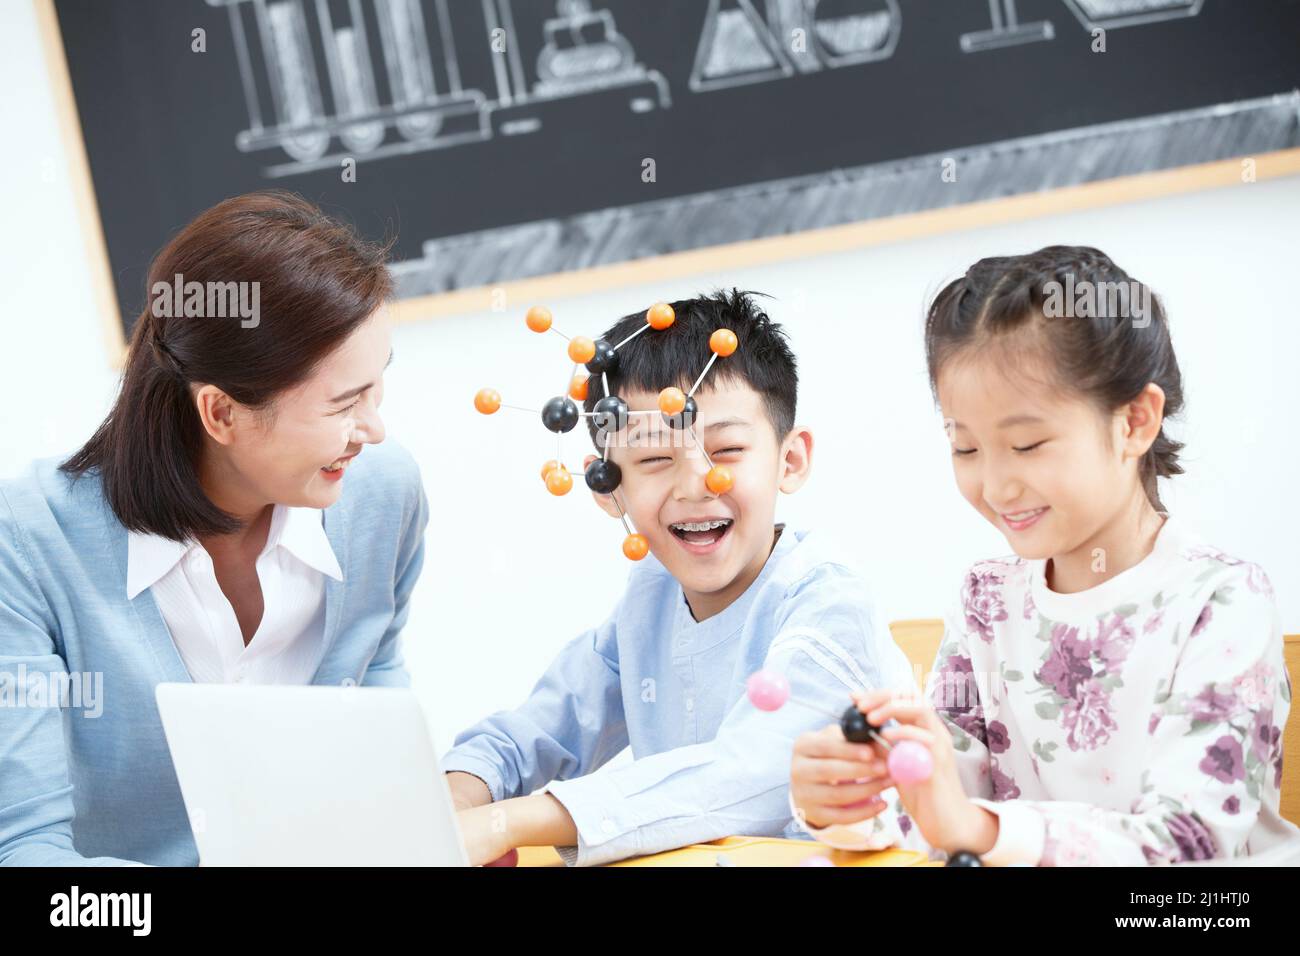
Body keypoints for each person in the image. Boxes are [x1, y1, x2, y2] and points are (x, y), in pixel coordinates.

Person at [790, 246, 1297, 865]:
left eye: (1027, 445)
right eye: (966, 448)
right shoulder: (985, 601)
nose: (997, 486)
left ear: (1135, 421)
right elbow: (942, 808)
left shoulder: (1220, 602)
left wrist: (978, 828)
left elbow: (1188, 850)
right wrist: (846, 805)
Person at [0, 192, 428, 865]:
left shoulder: (381, 494)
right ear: (221, 414)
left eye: (375, 389)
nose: (374, 430)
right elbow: (25, 852)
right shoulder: (25, 544)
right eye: (345, 403)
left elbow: (374, 679)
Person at [444, 289, 913, 866]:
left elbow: (758, 775)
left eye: (727, 449)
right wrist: (457, 799)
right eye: (654, 459)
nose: (696, 484)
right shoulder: (651, 597)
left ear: (790, 461)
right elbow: (545, 727)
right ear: (608, 488)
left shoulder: (826, 600)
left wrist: (508, 820)